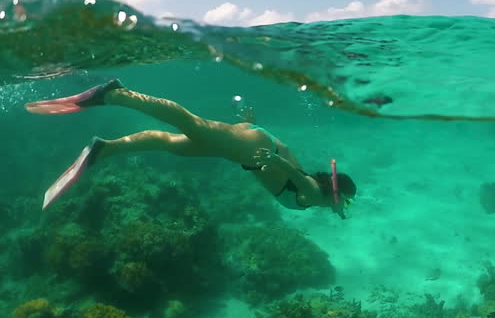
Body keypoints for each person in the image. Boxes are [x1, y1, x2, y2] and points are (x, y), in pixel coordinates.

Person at [25, 79, 356, 218]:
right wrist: (270, 159)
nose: (345, 207)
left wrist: (257, 136)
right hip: (253, 150)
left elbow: (299, 174)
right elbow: (295, 178)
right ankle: (115, 94)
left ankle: (104, 149)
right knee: (191, 124)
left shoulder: (322, 197)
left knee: (174, 145)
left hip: (254, 145)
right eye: (345, 201)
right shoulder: (313, 196)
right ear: (335, 193)